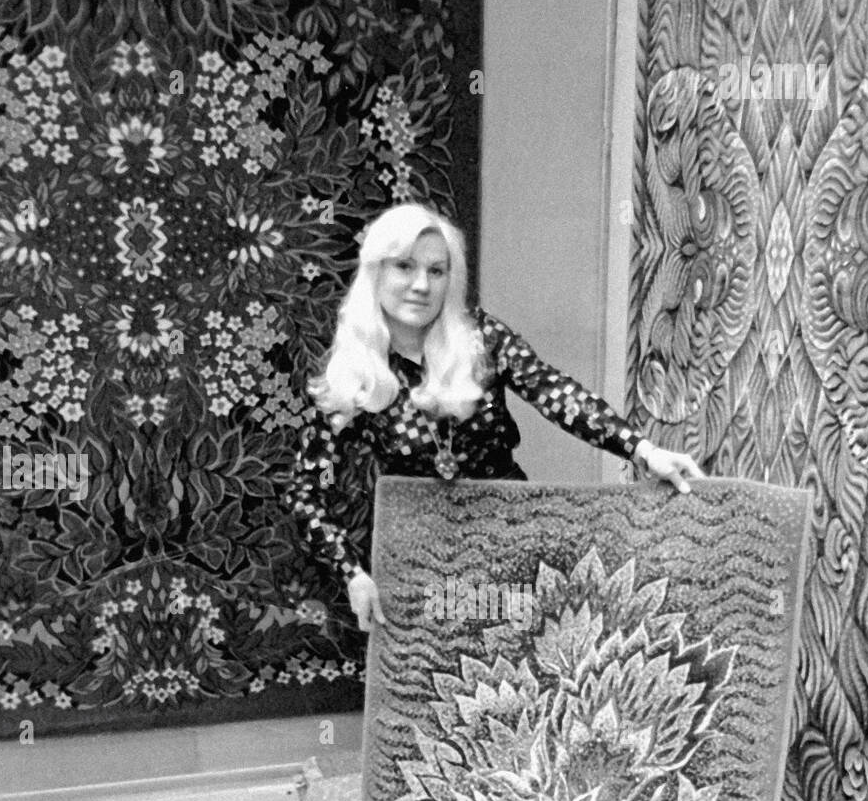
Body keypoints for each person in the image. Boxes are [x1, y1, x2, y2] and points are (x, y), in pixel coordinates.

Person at [285, 203, 704, 631]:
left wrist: (642, 450)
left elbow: (556, 392)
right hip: (422, 560)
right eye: (404, 266)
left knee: (523, 673)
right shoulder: (354, 371)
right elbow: (304, 491)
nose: (420, 285)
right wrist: (351, 573)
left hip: (512, 537)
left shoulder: (482, 339)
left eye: (436, 271)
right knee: (442, 684)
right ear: (377, 272)